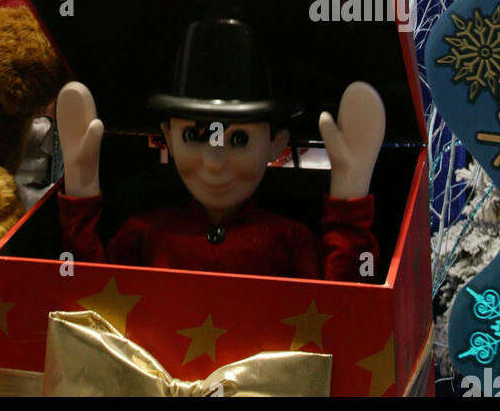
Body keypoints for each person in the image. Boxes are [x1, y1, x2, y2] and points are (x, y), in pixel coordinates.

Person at [57, 17, 385, 281]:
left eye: (239, 140)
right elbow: (89, 296)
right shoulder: (143, 233)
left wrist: (349, 193)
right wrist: (81, 185)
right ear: (168, 138)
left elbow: (342, 310)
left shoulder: (290, 240)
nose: (215, 162)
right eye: (193, 137)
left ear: (276, 144)